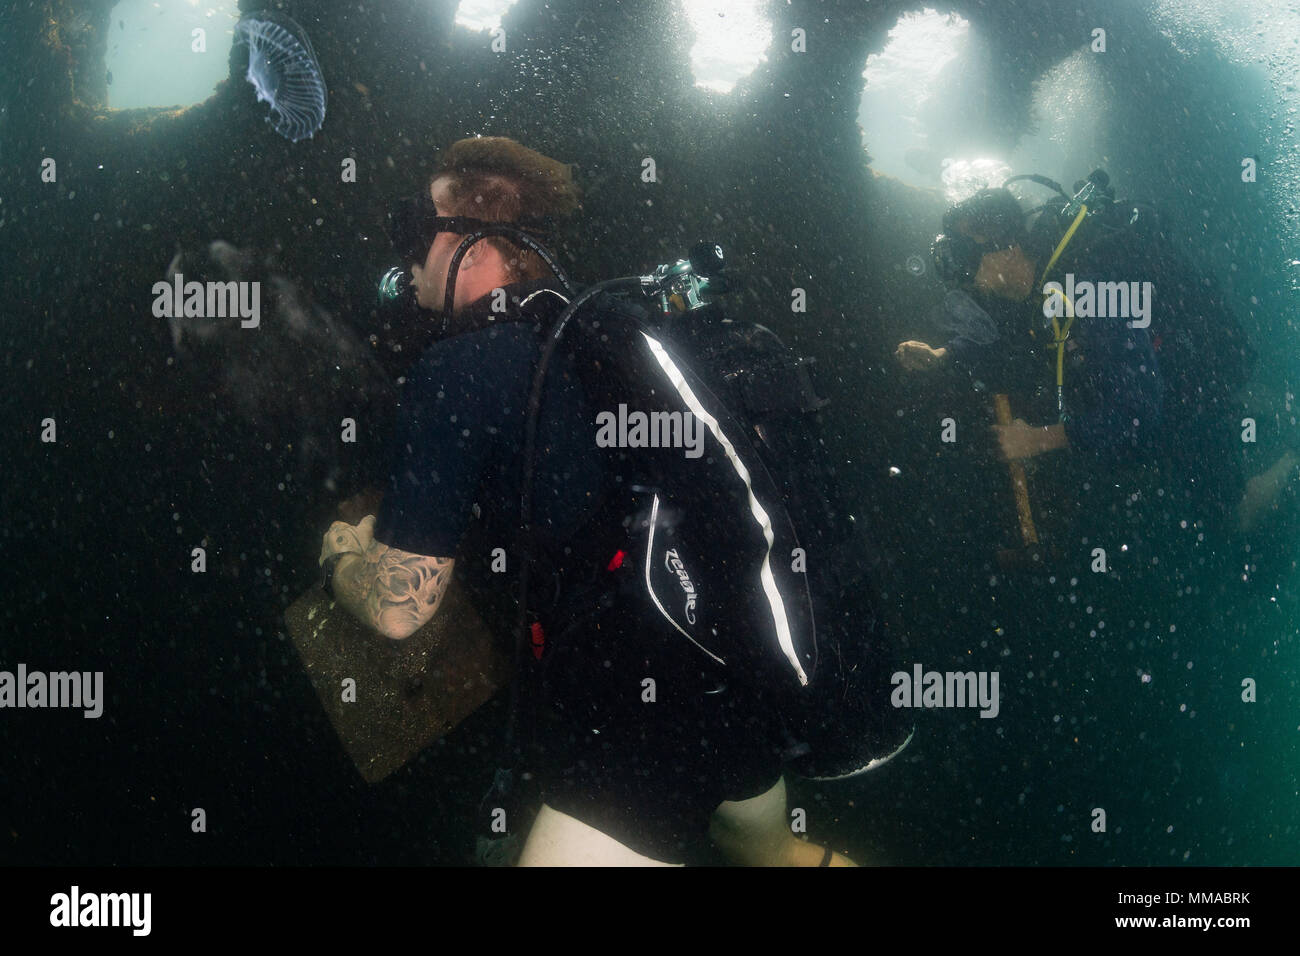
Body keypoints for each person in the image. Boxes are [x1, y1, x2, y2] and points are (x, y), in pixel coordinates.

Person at [317, 137, 906, 865]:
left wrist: (343, 558)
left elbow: (398, 608)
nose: (407, 254)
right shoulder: (593, 342)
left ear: (475, 244)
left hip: (636, 716)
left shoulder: (457, 369)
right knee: (777, 856)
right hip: (723, 670)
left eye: (417, 225)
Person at [896, 177, 1297, 536]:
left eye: (966, 259)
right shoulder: (1037, 289)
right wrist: (942, 353)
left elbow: (1138, 411)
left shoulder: (1089, 290)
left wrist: (1038, 440)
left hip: (1180, 386)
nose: (965, 276)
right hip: (1152, 376)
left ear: (1008, 248)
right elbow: (1003, 339)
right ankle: (1248, 406)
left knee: (1232, 517)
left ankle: (1289, 462)